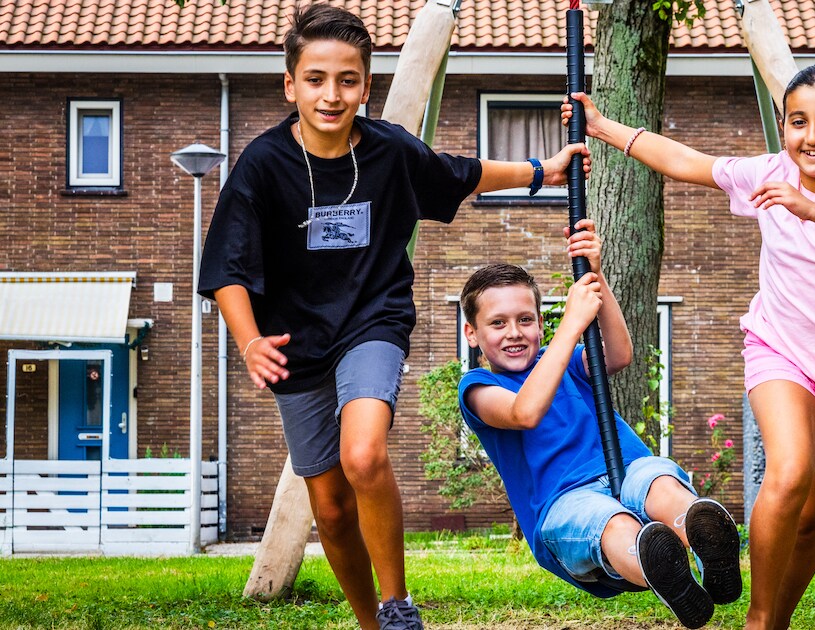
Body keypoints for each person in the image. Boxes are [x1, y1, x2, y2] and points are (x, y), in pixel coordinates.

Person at [197, 4, 588, 629]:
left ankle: (397, 601)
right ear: (290, 85)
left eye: (347, 80)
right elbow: (227, 271)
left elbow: (461, 175)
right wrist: (248, 343)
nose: (332, 94)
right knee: (328, 506)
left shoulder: (386, 151)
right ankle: (372, 623)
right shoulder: (262, 166)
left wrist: (542, 171)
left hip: (371, 322)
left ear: (366, 85)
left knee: (364, 454)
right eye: (317, 79)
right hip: (294, 342)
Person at [563, 64, 815, 629]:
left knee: (810, 519)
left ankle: (775, 621)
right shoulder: (769, 172)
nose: (812, 136)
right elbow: (687, 162)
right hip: (782, 351)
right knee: (790, 470)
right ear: (783, 126)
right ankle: (756, 618)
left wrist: (812, 208)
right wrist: (604, 128)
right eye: (798, 122)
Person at [457, 220, 742, 630]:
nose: (515, 333)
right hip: (565, 502)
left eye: (525, 319)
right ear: (472, 333)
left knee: (658, 480)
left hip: (625, 469)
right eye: (498, 323)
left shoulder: (567, 363)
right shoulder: (479, 387)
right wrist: (571, 324)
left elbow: (619, 354)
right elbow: (525, 412)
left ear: (540, 323)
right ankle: (661, 569)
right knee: (610, 524)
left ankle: (704, 541)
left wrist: (596, 276)